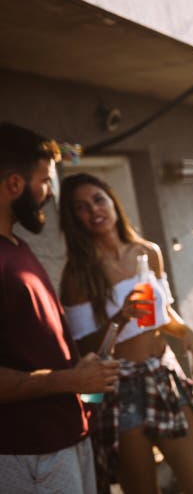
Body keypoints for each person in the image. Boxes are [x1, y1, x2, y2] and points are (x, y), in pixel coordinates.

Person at [59, 172, 193, 494]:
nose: (93, 210)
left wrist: (182, 328)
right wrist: (120, 317)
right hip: (120, 387)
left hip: (162, 373)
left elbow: (161, 313)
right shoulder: (77, 275)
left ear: (112, 202)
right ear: (74, 219)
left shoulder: (148, 253)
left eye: (98, 200)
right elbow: (84, 349)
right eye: (81, 208)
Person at [0, 123, 119, 493]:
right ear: (15, 185)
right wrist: (71, 379)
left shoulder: (17, 247)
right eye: (45, 181)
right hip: (27, 454)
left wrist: (78, 369)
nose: (49, 193)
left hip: (63, 441)